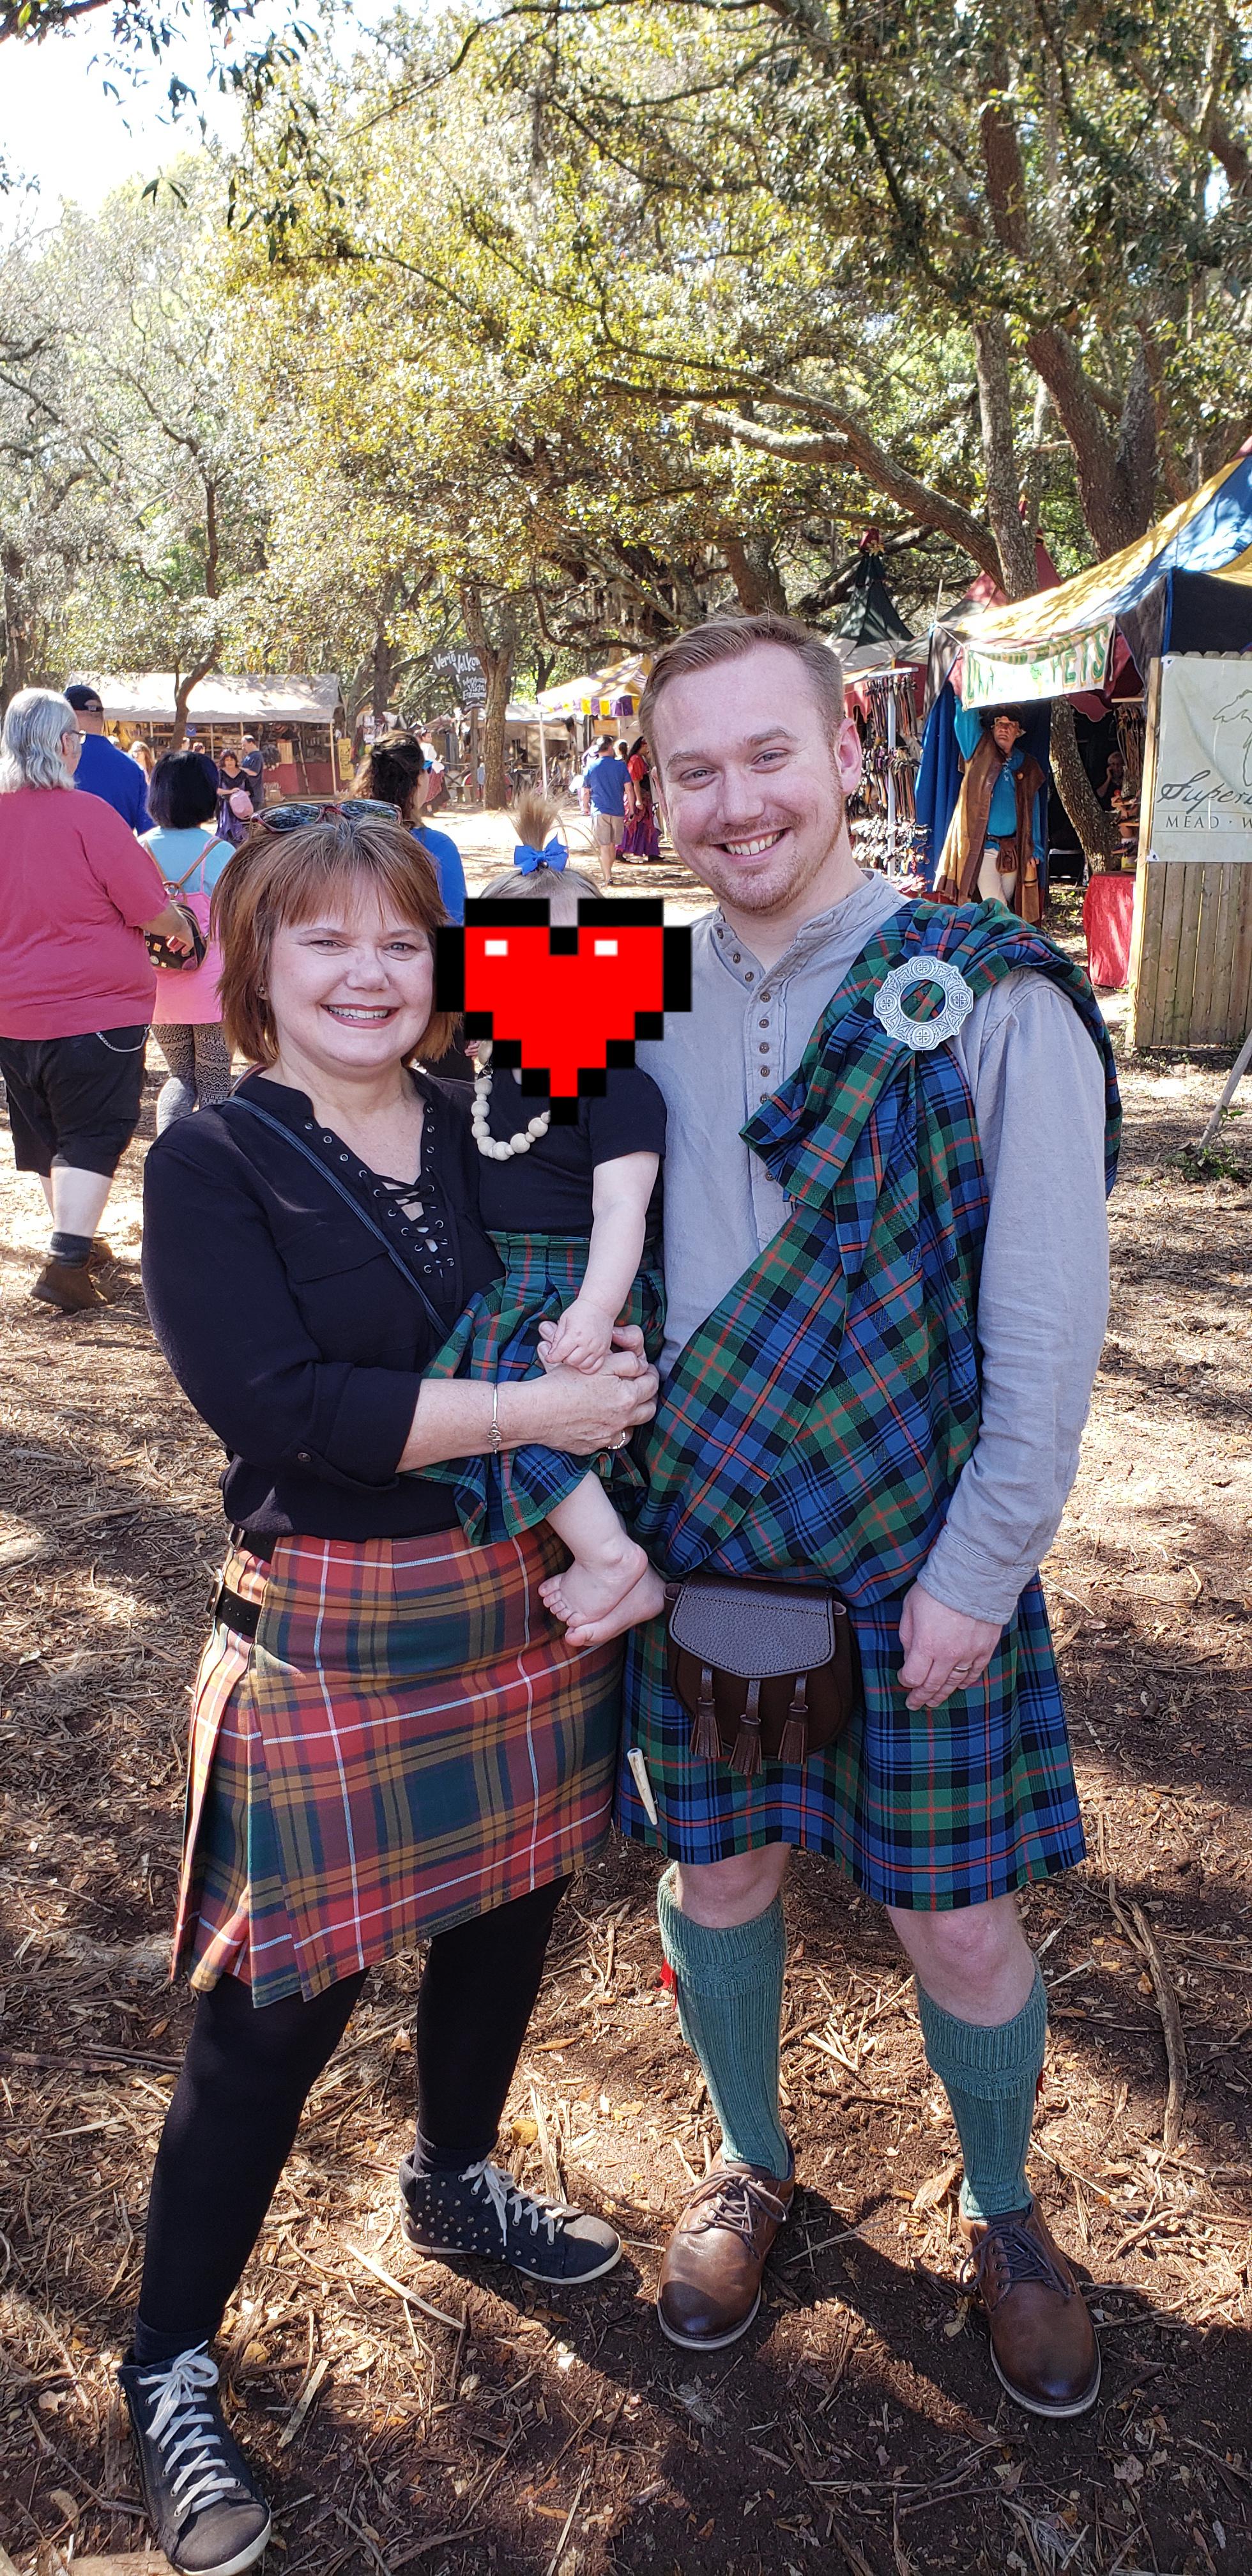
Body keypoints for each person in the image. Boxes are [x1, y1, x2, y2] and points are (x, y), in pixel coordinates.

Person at [123, 809, 657, 2576]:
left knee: (510, 1911)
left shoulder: (491, 1099)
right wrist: (540, 1419)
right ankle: (168, 2363)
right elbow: (287, 1408)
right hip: (338, 1612)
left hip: (512, 1595)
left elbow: (619, 1029)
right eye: (323, 942)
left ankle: (452, 2177)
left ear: (449, 964)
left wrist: (605, 1346)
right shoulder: (214, 1156)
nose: (368, 974)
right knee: (278, 2010)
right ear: (253, 967)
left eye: (405, 944)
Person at [621, 613, 1117, 2420]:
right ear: (650, 787)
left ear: (849, 750)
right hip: (694, 1546)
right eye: (694, 769)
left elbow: (1050, 1320)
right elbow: (350, 978)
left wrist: (985, 1569)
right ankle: (753, 2161)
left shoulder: (986, 985)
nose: (736, 802)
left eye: (770, 757)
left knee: (962, 1922)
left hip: (918, 1560)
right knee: (718, 1870)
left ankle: (1005, 2212)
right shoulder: (605, 965)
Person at [425, 792, 667, 1643]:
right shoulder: (487, 1077)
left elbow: (622, 1207)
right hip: (508, 1282)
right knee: (475, 1411)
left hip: (579, 1282)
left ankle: (613, 1560)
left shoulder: (620, 1083)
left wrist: (597, 1312)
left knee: (531, 1402)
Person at [0, 689, 193, 1312]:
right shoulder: (88, 815)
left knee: (47, 1134)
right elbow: (150, 911)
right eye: (77, 740)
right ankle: (67, 1262)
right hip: (96, 1008)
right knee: (93, 1131)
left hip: (14, 1012)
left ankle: (75, 1236)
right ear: (63, 745)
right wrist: (182, 930)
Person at [144, 751, 237, 1129]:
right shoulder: (220, 852)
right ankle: (215, 1163)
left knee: (180, 1076)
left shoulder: (139, 849)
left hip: (160, 986)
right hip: (214, 987)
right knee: (215, 1082)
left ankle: (170, 1153)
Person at [934, 702, 1046, 920]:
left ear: (1018, 732)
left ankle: (997, 946)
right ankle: (1011, 944)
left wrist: (1037, 848)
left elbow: (1033, 810)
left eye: (1010, 724)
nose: (1004, 728)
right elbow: (964, 718)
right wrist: (967, 693)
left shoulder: (1028, 765)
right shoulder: (977, 751)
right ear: (992, 729)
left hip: (1013, 850)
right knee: (998, 908)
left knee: (1004, 905)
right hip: (984, 848)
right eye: (999, 723)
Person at [351, 728, 466, 921]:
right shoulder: (437, 847)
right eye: (427, 768)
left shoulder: (340, 838)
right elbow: (454, 921)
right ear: (417, 780)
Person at [65, 682, 153, 833]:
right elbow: (149, 831)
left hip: (68, 854)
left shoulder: (58, 763)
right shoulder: (133, 769)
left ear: (68, 714)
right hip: (118, 854)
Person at [580, 735, 631, 886]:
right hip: (617, 810)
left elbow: (585, 791)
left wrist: (585, 807)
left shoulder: (590, 767)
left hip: (599, 810)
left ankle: (607, 876)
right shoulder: (621, 766)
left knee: (604, 845)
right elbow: (629, 788)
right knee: (613, 845)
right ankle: (609, 874)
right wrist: (632, 807)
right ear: (610, 748)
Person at [621, 735, 662, 861]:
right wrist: (638, 800)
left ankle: (650, 851)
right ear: (643, 746)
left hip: (645, 797)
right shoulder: (636, 760)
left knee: (646, 825)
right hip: (640, 798)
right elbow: (635, 781)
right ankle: (622, 849)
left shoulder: (641, 759)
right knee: (635, 824)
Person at [238, 733, 264, 811]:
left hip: (254, 795)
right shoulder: (249, 756)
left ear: (251, 743)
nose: (243, 748)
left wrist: (238, 769)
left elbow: (254, 772)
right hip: (247, 794)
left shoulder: (257, 756)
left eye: (245, 745)